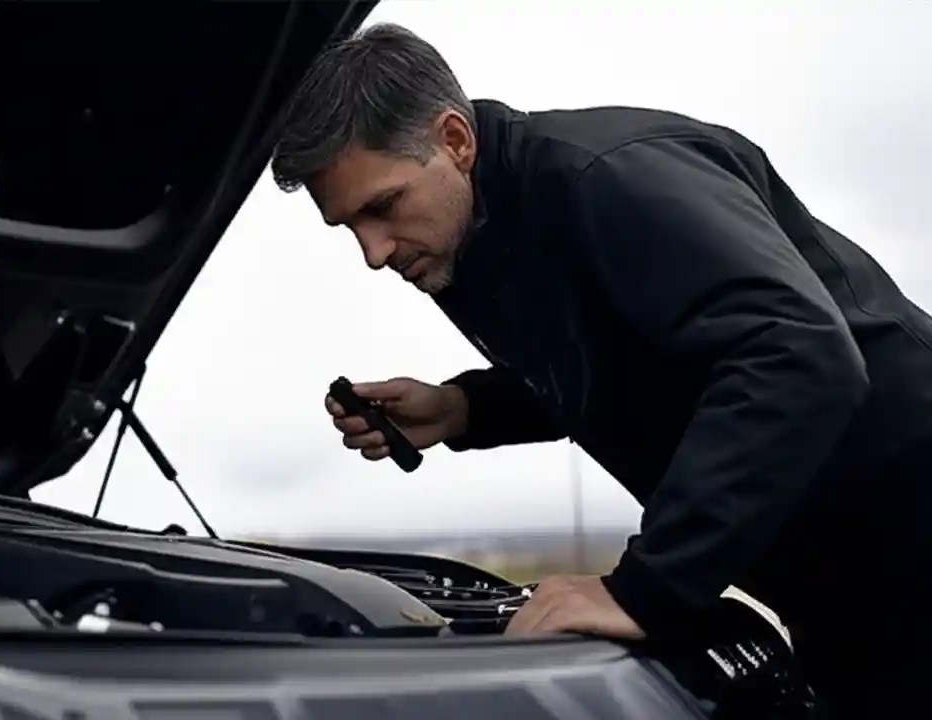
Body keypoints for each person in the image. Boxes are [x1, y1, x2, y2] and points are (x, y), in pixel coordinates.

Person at [272, 22, 928, 719]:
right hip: (844, 585)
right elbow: (629, 367)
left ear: (455, 141)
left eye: (383, 207)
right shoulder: (478, 234)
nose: (373, 252)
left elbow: (797, 353)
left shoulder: (606, 177)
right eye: (350, 227)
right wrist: (463, 408)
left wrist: (645, 589)